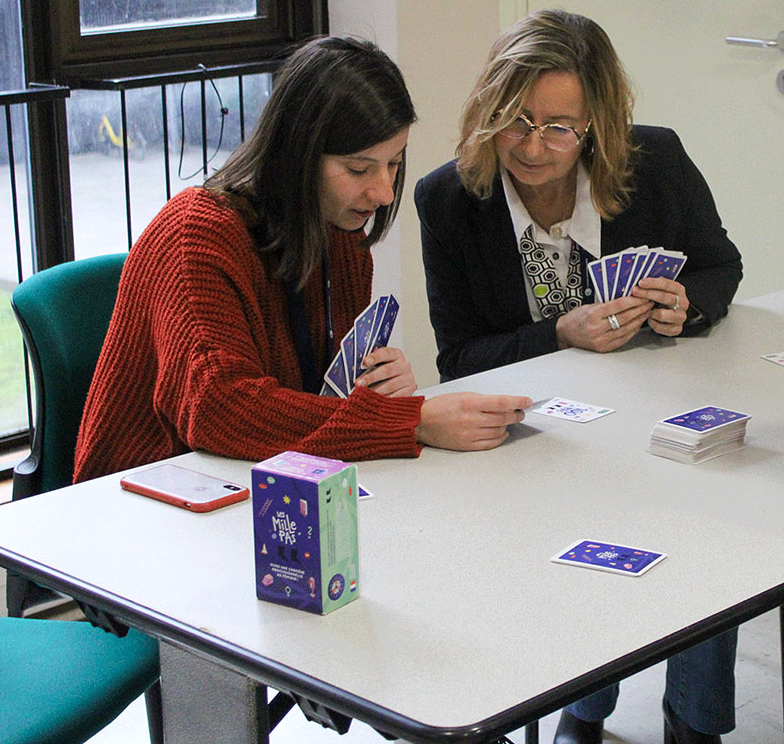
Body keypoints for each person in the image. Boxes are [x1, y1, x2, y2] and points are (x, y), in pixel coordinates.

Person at [415, 9, 742, 744]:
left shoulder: (654, 162)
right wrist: (554, 334)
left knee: (707, 524)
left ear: (597, 125)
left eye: (559, 127)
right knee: (590, 535)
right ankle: (584, 707)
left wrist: (685, 306)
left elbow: (722, 264)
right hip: (539, 444)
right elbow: (457, 359)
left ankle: (693, 724)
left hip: (653, 414)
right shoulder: (451, 200)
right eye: (515, 120)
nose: (533, 147)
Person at [75, 35, 532, 483]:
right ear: (298, 154)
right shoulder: (197, 233)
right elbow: (219, 408)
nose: (383, 192)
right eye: (358, 169)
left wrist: (371, 387)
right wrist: (407, 421)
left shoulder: (340, 231)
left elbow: (313, 396)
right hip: (145, 500)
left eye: (394, 163)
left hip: (263, 478)